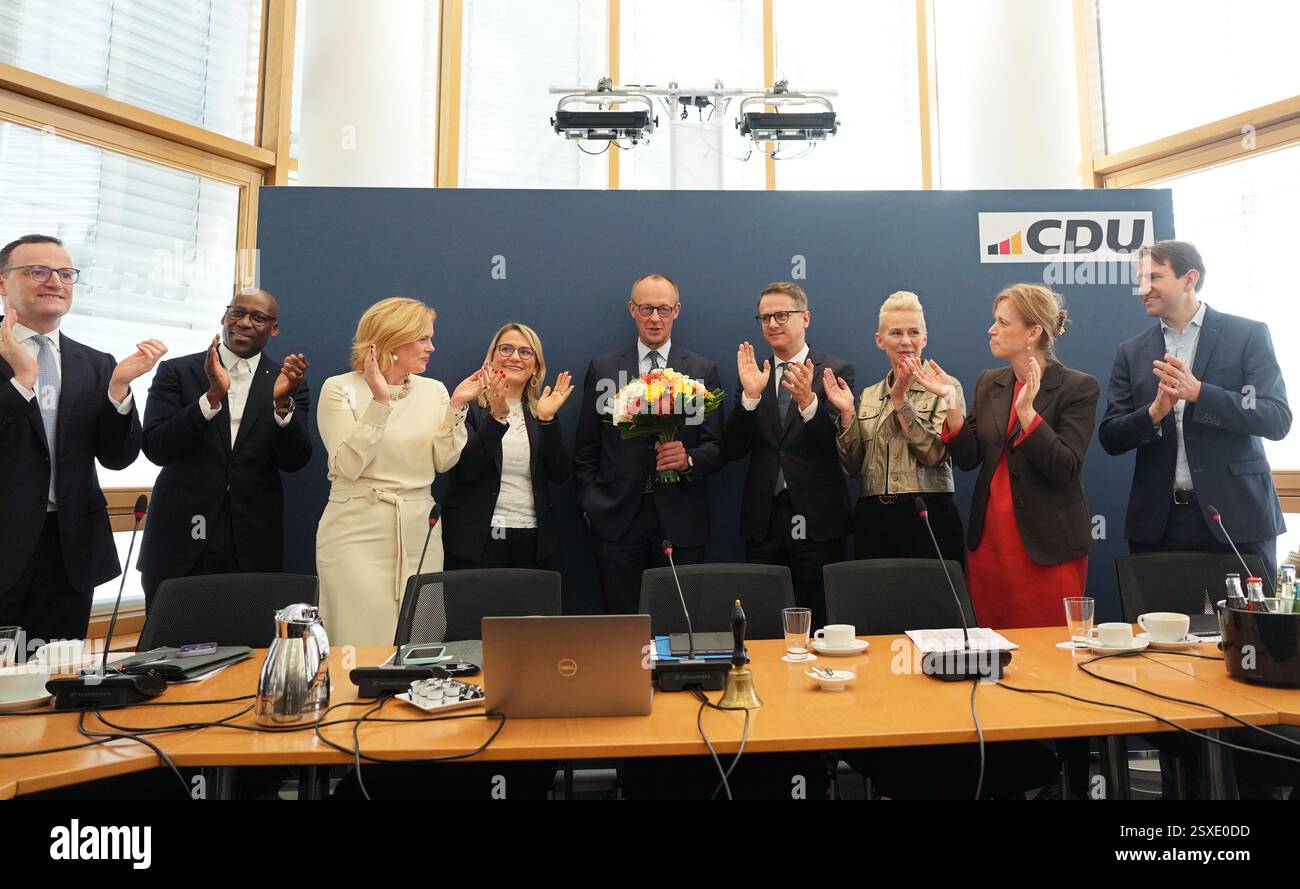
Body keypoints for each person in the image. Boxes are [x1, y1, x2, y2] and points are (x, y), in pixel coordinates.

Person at [0, 234, 166, 644]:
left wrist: (119, 392)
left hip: (71, 547)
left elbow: (117, 457)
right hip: (5, 544)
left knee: (58, 676)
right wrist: (21, 383)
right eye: (36, 271)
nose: (53, 281)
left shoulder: (96, 363)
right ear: (3, 283)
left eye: (64, 273)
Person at [1099, 240, 1290, 583]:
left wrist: (1201, 393)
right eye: (1140, 279)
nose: (1143, 289)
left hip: (1237, 517)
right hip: (1160, 524)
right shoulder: (1132, 352)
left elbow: (1275, 418)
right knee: (1160, 634)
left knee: (1250, 632)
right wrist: (1153, 412)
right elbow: (1111, 436)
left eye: (1154, 277)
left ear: (1189, 279)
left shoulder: (1247, 335)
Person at [914, 283, 1098, 628]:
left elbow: (1065, 468)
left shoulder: (1077, 387)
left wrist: (1028, 413)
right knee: (993, 644)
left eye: (1002, 323)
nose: (991, 330)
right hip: (990, 545)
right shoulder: (989, 383)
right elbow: (969, 459)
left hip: (1047, 545)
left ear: (1033, 333)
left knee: (1050, 650)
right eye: (993, 321)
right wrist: (950, 403)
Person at [315, 297, 482, 646]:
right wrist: (379, 402)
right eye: (423, 339)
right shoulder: (339, 388)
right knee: (358, 641)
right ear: (392, 339)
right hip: (355, 532)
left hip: (420, 530)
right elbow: (347, 466)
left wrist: (456, 406)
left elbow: (443, 461)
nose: (431, 347)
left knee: (420, 639)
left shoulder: (435, 390)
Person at [138, 288, 312, 609]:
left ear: (274, 329)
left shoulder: (287, 381)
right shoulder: (178, 372)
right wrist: (211, 398)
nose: (244, 323)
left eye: (258, 318)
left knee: (246, 645)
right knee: (169, 649)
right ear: (223, 317)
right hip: (182, 539)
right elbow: (156, 448)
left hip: (252, 545)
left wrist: (282, 404)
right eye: (237, 313)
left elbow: (295, 460)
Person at [573, 273, 725, 614]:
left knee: (678, 623)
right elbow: (585, 448)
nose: (655, 318)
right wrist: (592, 504)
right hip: (616, 519)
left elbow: (716, 448)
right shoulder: (604, 369)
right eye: (646, 308)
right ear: (632, 309)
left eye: (663, 309)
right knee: (623, 625)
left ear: (677, 311)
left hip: (681, 520)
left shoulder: (701, 370)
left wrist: (687, 460)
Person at [722, 282, 853, 626]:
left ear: (805, 317)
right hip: (763, 520)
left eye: (782, 315)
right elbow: (732, 448)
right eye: (765, 318)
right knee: (763, 616)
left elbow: (836, 447)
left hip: (817, 520)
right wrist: (750, 398)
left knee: (819, 618)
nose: (773, 324)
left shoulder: (834, 371)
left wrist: (809, 402)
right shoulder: (755, 373)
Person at [826, 290, 965, 567]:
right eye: (896, 333)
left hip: (927, 511)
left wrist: (901, 402)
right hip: (873, 516)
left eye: (914, 333)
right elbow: (852, 467)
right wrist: (847, 415)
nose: (906, 342)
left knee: (930, 605)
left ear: (925, 338)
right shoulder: (867, 395)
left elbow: (935, 456)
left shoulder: (946, 386)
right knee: (876, 606)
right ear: (880, 341)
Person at [442, 323, 575, 570]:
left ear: (535, 367)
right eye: (506, 349)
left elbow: (560, 474)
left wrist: (547, 422)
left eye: (525, 352)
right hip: (477, 540)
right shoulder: (469, 407)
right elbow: (463, 471)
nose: (515, 357)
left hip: (532, 538)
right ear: (491, 359)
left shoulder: (540, 411)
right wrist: (496, 419)